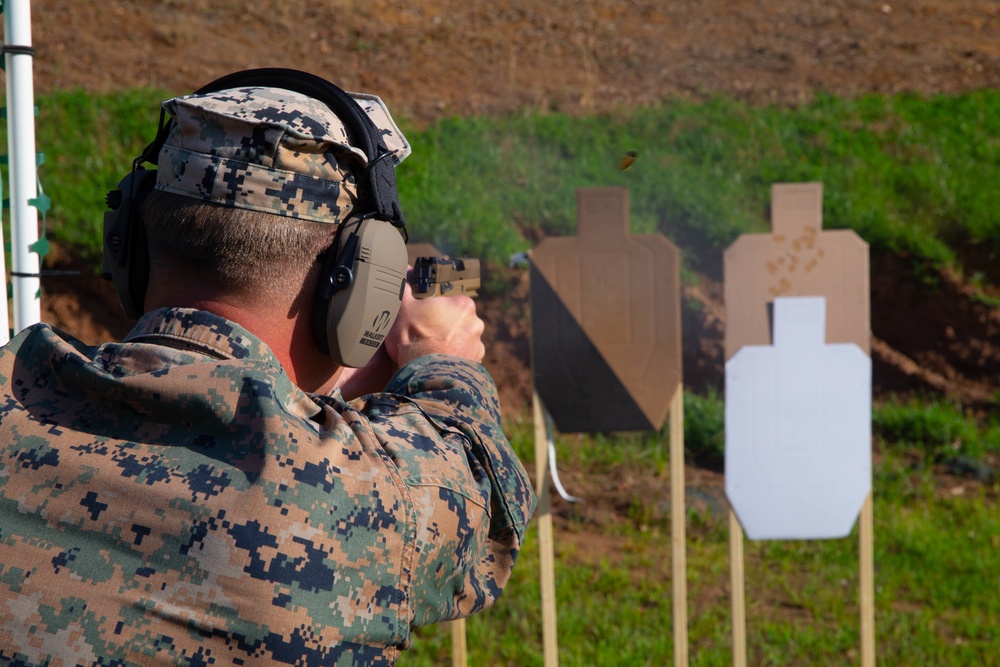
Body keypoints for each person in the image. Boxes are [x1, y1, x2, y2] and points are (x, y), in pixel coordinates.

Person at [0, 70, 535, 666]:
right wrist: (438, 357)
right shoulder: (365, 503)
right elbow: (481, 497)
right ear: (356, 294)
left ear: (131, 245)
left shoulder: (13, 388)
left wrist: (317, 405)